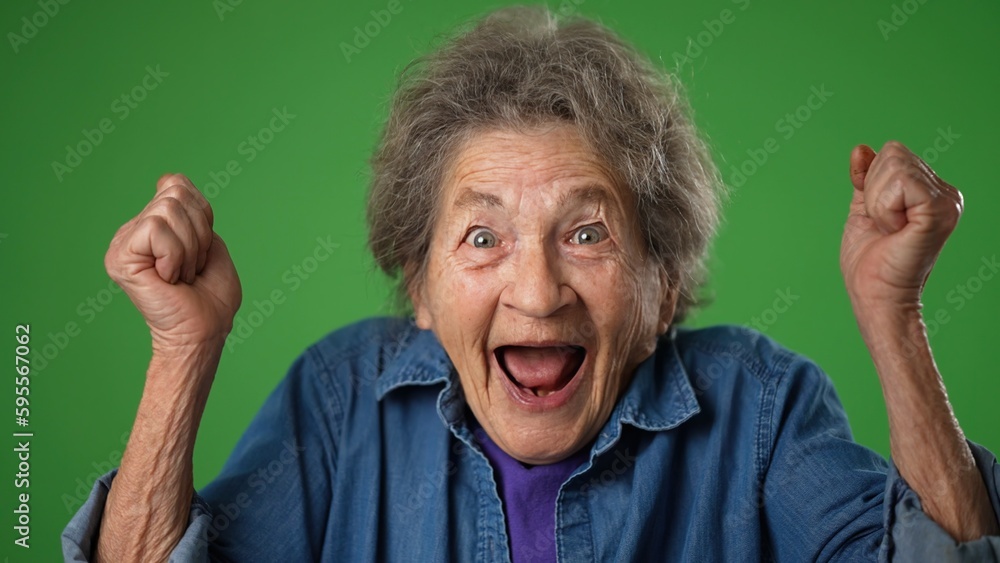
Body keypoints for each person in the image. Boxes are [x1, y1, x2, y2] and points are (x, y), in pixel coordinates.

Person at [63, 6, 1000, 562]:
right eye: (483, 237)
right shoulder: (340, 398)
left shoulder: (760, 405)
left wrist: (894, 314)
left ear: (662, 286)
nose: (539, 291)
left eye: (587, 233)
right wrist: (182, 351)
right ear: (420, 288)